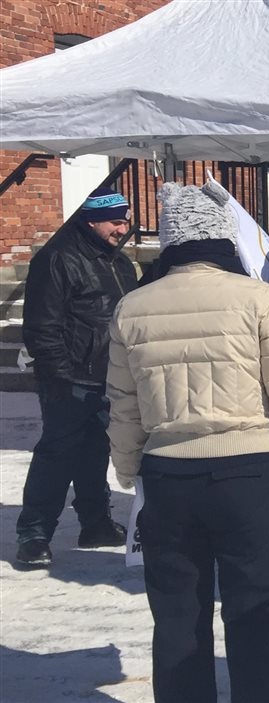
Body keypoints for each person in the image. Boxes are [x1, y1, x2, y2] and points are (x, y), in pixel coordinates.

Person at [106, 181, 269, 703]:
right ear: (223, 236)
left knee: (177, 618)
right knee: (251, 617)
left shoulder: (133, 307)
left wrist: (127, 466)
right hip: (246, 474)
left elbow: (125, 403)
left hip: (168, 476)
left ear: (171, 239)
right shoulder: (258, 298)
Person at [16, 187, 138, 568]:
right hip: (68, 380)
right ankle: (34, 533)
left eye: (125, 221)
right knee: (57, 455)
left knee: (96, 452)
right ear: (92, 221)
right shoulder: (57, 259)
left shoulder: (118, 263)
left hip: (110, 377)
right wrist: (61, 378)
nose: (123, 229)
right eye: (115, 222)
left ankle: (95, 522)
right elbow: (42, 327)